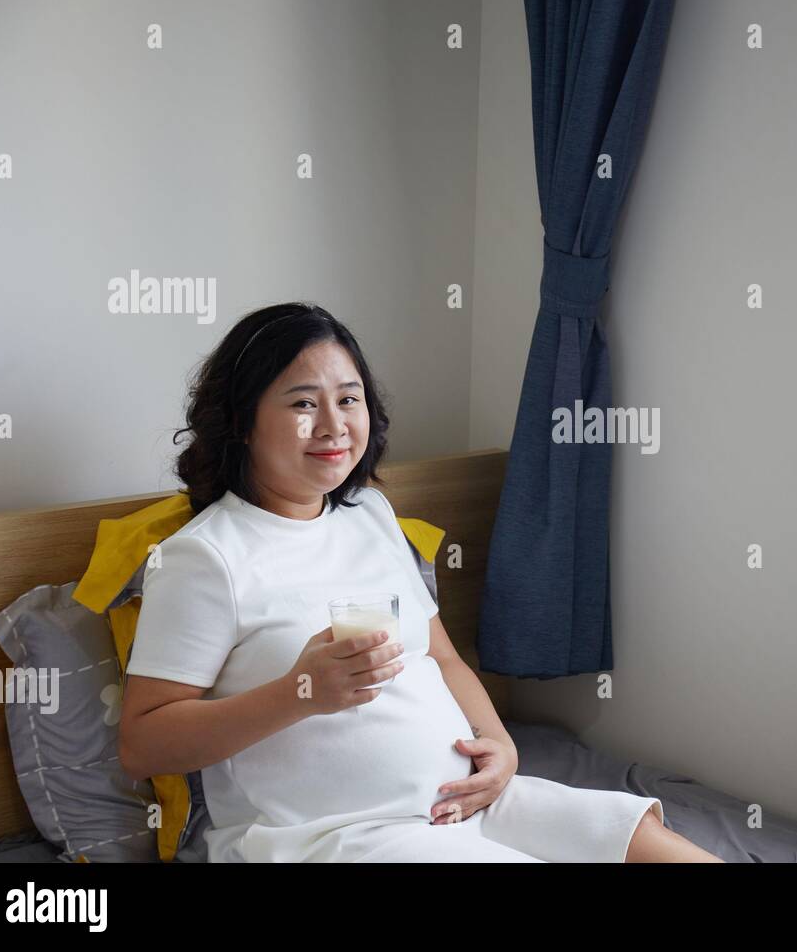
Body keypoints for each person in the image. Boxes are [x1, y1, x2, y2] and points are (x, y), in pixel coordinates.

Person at [117, 302, 724, 863]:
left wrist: (499, 744)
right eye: (303, 404)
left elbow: (440, 657)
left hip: (466, 799)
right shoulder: (204, 558)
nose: (333, 425)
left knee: (651, 846)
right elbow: (143, 743)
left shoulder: (371, 516)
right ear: (243, 422)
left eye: (348, 399)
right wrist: (299, 691)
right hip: (338, 835)